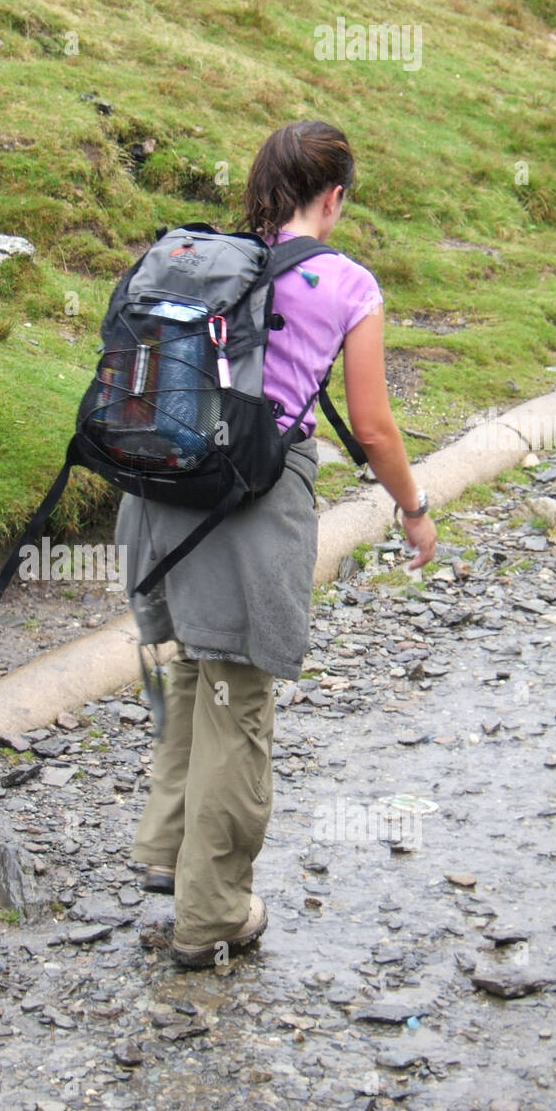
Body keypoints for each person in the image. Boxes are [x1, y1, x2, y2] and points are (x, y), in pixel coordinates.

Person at [115, 120, 437, 969]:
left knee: (189, 674)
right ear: (334, 196)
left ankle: (165, 854)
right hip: (241, 512)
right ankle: (213, 913)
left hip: (152, 500)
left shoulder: (206, 261)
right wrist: (413, 506)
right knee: (237, 697)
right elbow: (370, 423)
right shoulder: (347, 283)